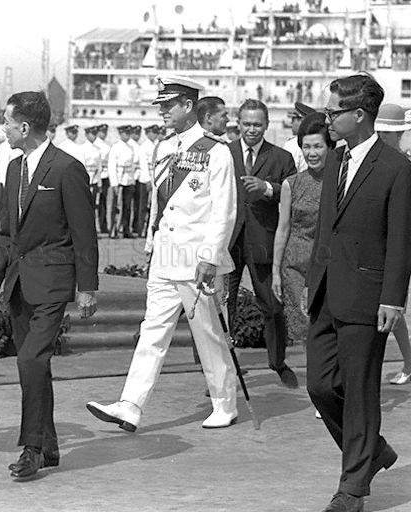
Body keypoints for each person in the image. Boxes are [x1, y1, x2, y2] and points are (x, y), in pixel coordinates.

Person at [86, 75, 239, 432]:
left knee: (208, 333)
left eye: (169, 105)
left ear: (188, 106)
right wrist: (151, 242)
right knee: (152, 329)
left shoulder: (216, 152)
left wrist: (211, 257)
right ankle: (131, 404)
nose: (163, 112)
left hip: (196, 259)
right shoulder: (163, 150)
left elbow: (223, 211)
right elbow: (159, 204)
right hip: (165, 256)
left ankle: (224, 402)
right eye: (161, 106)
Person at [306, 74, 411, 512]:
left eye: (333, 112)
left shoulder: (397, 168)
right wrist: (311, 283)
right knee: (320, 386)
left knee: (360, 391)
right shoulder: (336, 161)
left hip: (369, 297)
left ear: (359, 115)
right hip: (327, 293)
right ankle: (374, 451)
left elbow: (402, 238)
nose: (327, 119)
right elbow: (325, 229)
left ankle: (352, 488)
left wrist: (392, 298)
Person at [0, 91, 98, 480]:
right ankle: (49, 445)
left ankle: (31, 448)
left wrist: (87, 287)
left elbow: (85, 233)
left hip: (52, 283)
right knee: (36, 366)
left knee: (31, 359)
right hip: (18, 284)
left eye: (7, 122)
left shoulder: (67, 169)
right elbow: (6, 233)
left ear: (25, 127)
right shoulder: (14, 169)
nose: (4, 129)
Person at [227, 99, 298, 389]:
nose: (252, 130)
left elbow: (294, 192)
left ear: (267, 125)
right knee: (222, 307)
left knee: (273, 305)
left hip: (264, 240)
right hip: (227, 241)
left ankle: (278, 362)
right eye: (247, 124)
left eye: (257, 124)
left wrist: (268, 188)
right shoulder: (223, 153)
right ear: (238, 123)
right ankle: (222, 369)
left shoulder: (281, 157)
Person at [272, 113, 333, 348]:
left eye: (318, 146)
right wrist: (276, 272)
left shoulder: (339, 181)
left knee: (328, 329)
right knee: (305, 330)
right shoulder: (291, 184)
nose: (312, 153)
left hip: (329, 266)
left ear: (329, 147)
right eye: (306, 147)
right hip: (295, 268)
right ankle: (315, 382)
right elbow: (283, 229)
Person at [373, 103, 411, 386]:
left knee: (393, 308)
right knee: (392, 308)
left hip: (397, 244)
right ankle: (408, 362)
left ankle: (408, 363)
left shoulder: (401, 165)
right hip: (386, 243)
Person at [107, 125, 136, 238]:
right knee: (115, 207)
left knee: (128, 207)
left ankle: (126, 229)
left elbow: (132, 166)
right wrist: (114, 183)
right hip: (118, 180)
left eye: (129, 133)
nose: (127, 136)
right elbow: (111, 166)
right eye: (125, 133)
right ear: (120, 134)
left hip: (128, 180)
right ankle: (113, 229)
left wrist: (132, 181)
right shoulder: (115, 147)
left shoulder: (131, 147)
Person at [134, 124, 159, 236]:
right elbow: (143, 165)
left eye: (156, 132)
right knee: (143, 206)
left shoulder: (158, 144)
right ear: (147, 133)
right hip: (146, 180)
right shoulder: (144, 146)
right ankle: (141, 229)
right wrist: (148, 180)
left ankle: (150, 228)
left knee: (153, 205)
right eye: (152, 132)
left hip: (155, 178)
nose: (154, 135)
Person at [282, 102, 314, 172]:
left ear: (302, 121)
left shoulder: (292, 144)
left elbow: (285, 172)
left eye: (293, 120)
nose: (291, 123)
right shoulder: (318, 141)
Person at [79, 126, 102, 222]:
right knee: (84, 205)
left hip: (95, 179)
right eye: (92, 134)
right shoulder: (82, 148)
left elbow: (99, 167)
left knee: (93, 205)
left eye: (95, 134)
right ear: (87, 134)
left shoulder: (97, 149)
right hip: (86, 180)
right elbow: (82, 166)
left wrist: (99, 182)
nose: (94, 136)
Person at [94, 123, 111, 233]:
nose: (104, 134)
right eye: (102, 132)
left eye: (105, 132)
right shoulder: (95, 145)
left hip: (106, 175)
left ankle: (103, 224)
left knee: (104, 202)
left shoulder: (106, 145)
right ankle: (97, 225)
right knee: (96, 202)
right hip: (97, 176)